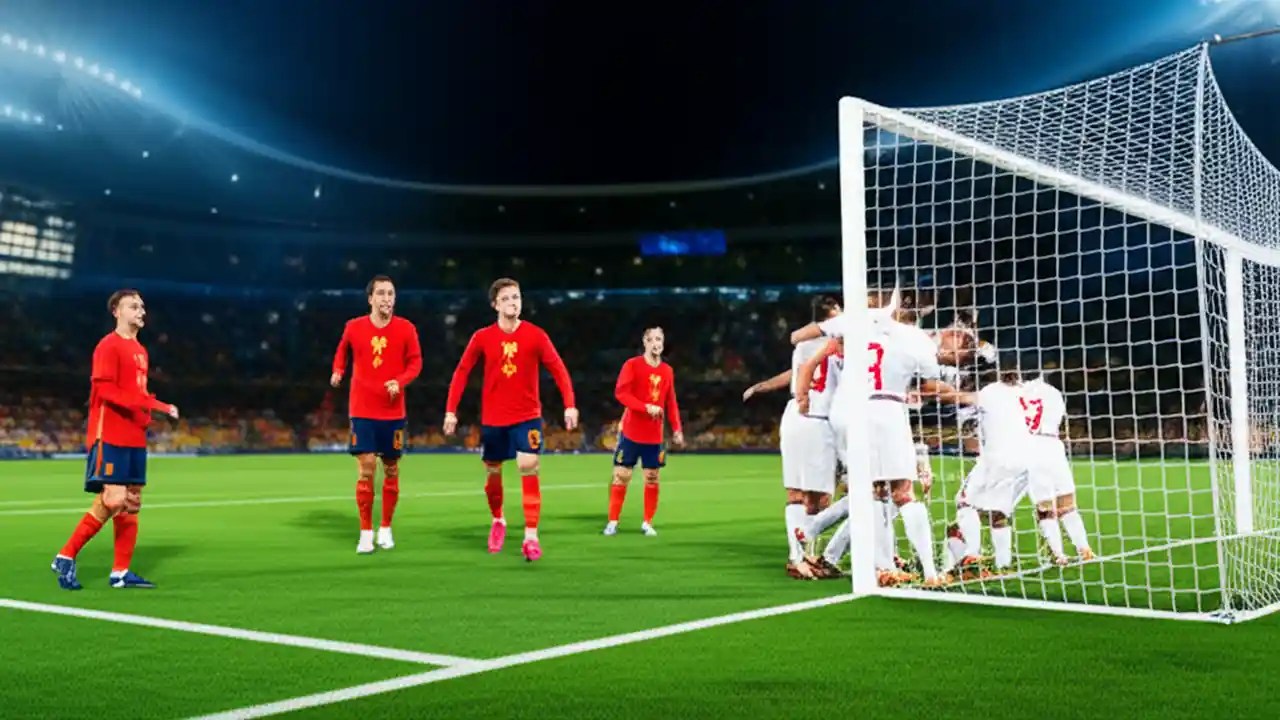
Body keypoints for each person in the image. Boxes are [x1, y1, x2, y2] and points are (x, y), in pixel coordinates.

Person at [51, 289, 179, 591]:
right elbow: (105, 390)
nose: (141, 311)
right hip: (110, 434)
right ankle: (66, 555)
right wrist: (151, 405)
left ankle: (120, 573)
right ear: (116, 312)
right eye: (133, 306)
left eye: (142, 306)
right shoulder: (108, 346)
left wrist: (150, 411)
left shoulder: (141, 351)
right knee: (114, 499)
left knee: (131, 503)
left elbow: (138, 394)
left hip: (135, 436)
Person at [444, 278, 578, 562]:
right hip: (493, 417)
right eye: (506, 299)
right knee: (493, 471)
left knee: (528, 465)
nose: (513, 303)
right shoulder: (482, 337)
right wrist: (450, 410)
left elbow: (559, 369)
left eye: (516, 297)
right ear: (495, 304)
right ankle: (498, 521)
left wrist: (569, 405)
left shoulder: (536, 335)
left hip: (527, 416)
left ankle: (531, 536)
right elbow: (461, 372)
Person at [331, 275, 423, 554]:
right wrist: (338, 370)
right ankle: (365, 532)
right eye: (381, 293)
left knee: (392, 468)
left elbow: (416, 362)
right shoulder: (354, 327)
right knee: (367, 467)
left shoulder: (406, 329)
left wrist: (401, 381)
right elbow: (342, 351)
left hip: (393, 411)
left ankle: (385, 528)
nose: (387, 299)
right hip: (362, 409)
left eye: (391, 294)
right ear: (370, 298)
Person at [604, 326, 684, 537]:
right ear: (645, 343)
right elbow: (621, 394)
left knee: (652, 477)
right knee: (621, 475)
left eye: (660, 339)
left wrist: (676, 428)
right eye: (653, 339)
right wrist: (645, 407)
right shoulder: (632, 365)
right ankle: (612, 521)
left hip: (654, 436)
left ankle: (648, 522)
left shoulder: (667, 371)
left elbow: (671, 402)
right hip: (631, 432)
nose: (657, 343)